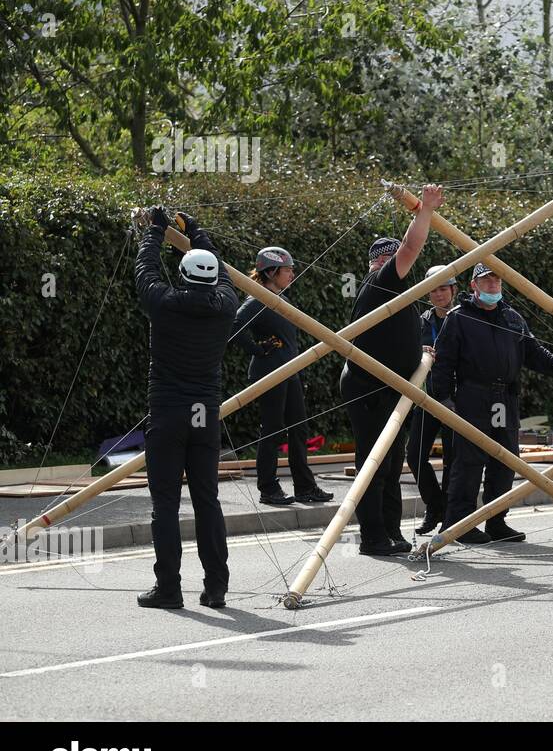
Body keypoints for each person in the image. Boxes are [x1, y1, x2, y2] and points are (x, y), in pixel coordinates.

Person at [133, 207, 239, 609]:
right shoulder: (226, 304)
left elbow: (146, 268)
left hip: (168, 410)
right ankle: (216, 587)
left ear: (183, 276)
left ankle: (169, 588)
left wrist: (157, 229)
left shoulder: (164, 303)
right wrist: (193, 229)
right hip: (204, 412)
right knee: (206, 500)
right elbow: (223, 271)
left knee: (165, 504)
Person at [429, 263, 553, 544]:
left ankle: (496, 521)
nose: (493, 285)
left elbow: (533, 350)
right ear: (474, 285)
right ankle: (459, 523)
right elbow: (443, 363)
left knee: (506, 460)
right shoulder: (458, 318)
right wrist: (444, 399)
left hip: (505, 398)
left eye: (496, 280)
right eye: (486, 281)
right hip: (473, 397)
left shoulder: (511, 317)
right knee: (470, 461)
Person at [339, 185, 443, 557]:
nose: (401, 264)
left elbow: (393, 337)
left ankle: (391, 532)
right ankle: (372, 537)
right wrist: (426, 210)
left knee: (390, 461)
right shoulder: (382, 282)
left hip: (394, 388)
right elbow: (411, 247)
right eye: (392, 260)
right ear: (379, 263)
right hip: (370, 389)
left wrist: (419, 352)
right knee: (374, 463)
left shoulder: (396, 294)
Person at [232, 246, 333, 507]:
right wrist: (258, 348)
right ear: (273, 271)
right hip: (270, 374)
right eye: (288, 270)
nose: (292, 274)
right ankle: (268, 488)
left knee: (299, 430)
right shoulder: (257, 299)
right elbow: (234, 326)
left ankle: (305, 487)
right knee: (272, 431)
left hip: (290, 372)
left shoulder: (279, 298)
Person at [407, 265, 459, 535]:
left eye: (443, 288)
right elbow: (405, 353)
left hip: (455, 400)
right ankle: (434, 505)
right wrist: (419, 351)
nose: (438, 294)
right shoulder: (421, 321)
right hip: (426, 399)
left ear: (453, 290)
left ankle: (450, 515)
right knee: (414, 454)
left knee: (453, 460)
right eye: (433, 290)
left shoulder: (464, 318)